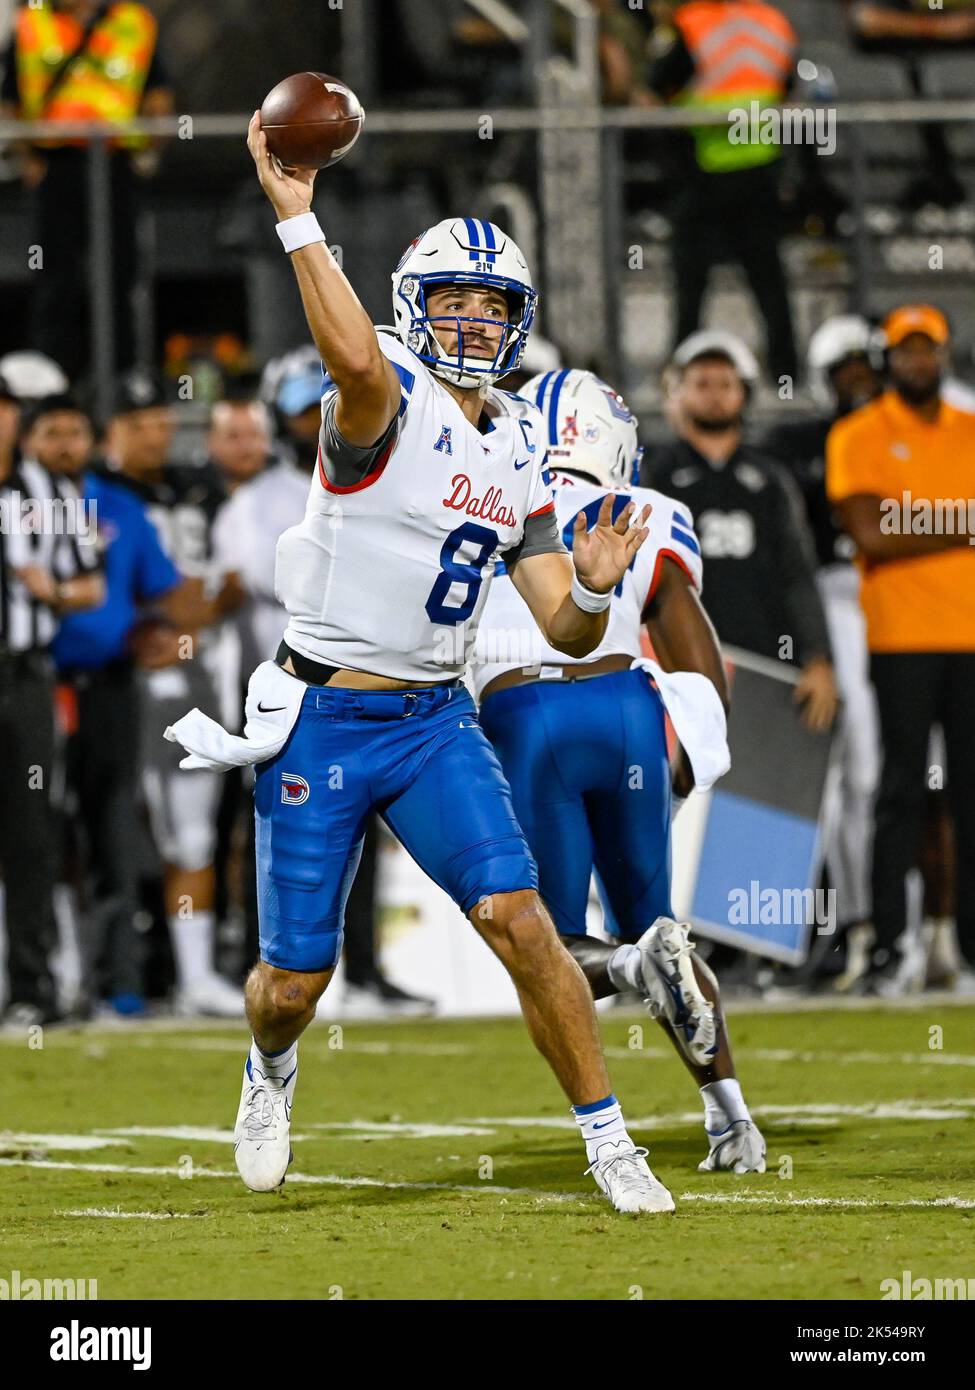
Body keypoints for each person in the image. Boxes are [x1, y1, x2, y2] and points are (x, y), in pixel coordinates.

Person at [167, 113, 675, 1217]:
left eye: (491, 306)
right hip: (325, 716)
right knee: (295, 984)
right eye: (451, 300)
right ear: (412, 306)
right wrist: (299, 215)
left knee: (520, 920)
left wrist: (589, 581)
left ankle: (608, 1139)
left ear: (518, 322)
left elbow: (568, 628)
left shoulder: (519, 450)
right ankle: (268, 1063)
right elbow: (348, 353)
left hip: (436, 722)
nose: (472, 320)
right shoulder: (379, 392)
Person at [472, 368, 765, 1173]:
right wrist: (685, 758)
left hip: (526, 711)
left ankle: (636, 968)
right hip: (631, 709)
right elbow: (695, 656)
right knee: (656, 920)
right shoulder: (652, 512)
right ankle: (731, 1118)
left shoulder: (486, 499)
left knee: (552, 951)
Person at [826, 304, 975, 995]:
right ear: (887, 358)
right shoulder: (857, 434)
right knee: (897, 792)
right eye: (907, 351)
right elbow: (870, 533)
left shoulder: (968, 429)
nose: (919, 362)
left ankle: (964, 949)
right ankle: (889, 947)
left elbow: (894, 523)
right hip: (900, 638)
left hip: (969, 639)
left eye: (929, 350)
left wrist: (917, 517)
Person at [29, 393, 180, 1016]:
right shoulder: (19, 507)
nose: (65, 444)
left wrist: (159, 633)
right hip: (35, 685)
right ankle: (40, 977)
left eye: (75, 431)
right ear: (28, 441)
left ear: (93, 441)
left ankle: (117, 980)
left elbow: (161, 595)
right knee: (36, 831)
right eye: (52, 432)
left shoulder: (118, 506)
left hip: (108, 687)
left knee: (113, 825)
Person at [103, 370, 244, 1017]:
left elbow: (222, 584)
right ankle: (85, 970)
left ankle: (190, 974)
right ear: (112, 432)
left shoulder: (198, 488)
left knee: (191, 836)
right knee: (99, 831)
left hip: (188, 677)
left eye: (162, 420)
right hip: (104, 677)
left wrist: (191, 613)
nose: (156, 433)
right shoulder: (93, 496)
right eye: (140, 424)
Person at [763, 316, 884, 986]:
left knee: (894, 781)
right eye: (846, 372)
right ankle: (848, 925)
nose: (858, 383)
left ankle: (905, 930)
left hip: (912, 610)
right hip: (836, 604)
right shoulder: (800, 444)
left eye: (865, 368)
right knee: (843, 777)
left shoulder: (920, 433)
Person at [644, 330, 838, 731]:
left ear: (745, 393)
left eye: (726, 384)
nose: (714, 394)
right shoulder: (653, 474)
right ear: (676, 392)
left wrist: (818, 656)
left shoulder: (771, 479)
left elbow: (796, 573)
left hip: (766, 663)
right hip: (675, 663)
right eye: (701, 383)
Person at [0, 0, 174, 378]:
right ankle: (52, 382)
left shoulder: (133, 22)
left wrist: (147, 151)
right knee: (53, 277)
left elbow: (158, 93)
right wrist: (28, 162)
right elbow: (11, 100)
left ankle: (123, 380)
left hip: (115, 165)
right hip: (55, 167)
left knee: (120, 274)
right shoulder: (32, 22)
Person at [0, 393, 103, 1026]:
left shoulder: (51, 494)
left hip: (23, 676)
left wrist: (56, 590)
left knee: (31, 831)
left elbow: (94, 584)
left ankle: (32, 987)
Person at [644, 0, 799, 383]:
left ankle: (682, 369)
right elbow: (788, 88)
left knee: (691, 281)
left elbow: (658, 87)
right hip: (760, 166)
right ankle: (786, 371)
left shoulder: (693, 23)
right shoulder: (773, 21)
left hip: (705, 167)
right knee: (769, 280)